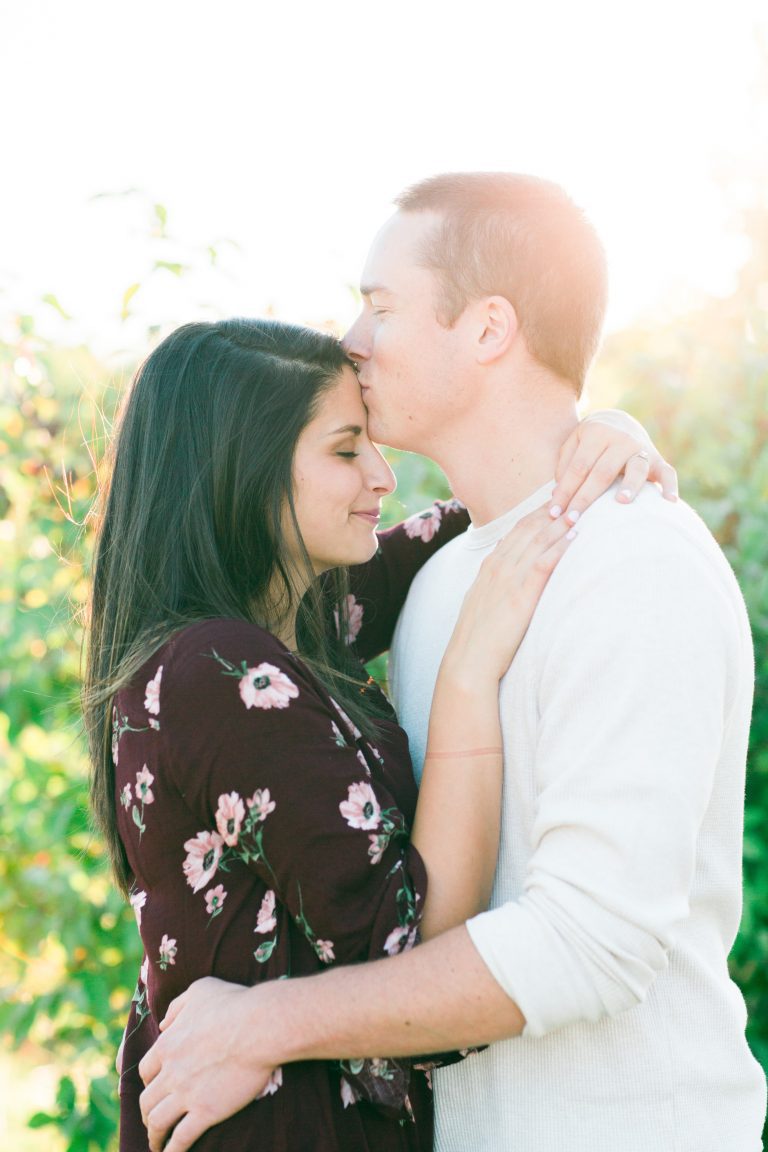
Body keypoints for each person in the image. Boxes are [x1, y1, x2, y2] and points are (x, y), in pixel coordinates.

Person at [137, 174, 767, 1152]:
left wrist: (266, 1024)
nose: (353, 336)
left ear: (487, 329)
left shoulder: (636, 563)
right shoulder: (436, 582)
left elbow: (591, 944)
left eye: (382, 306)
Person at [85, 316, 659, 1151]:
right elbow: (407, 939)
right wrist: (468, 675)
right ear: (242, 469)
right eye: (347, 449)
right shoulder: (222, 671)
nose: (384, 476)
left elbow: (491, 514)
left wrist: (608, 435)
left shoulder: (299, 621)